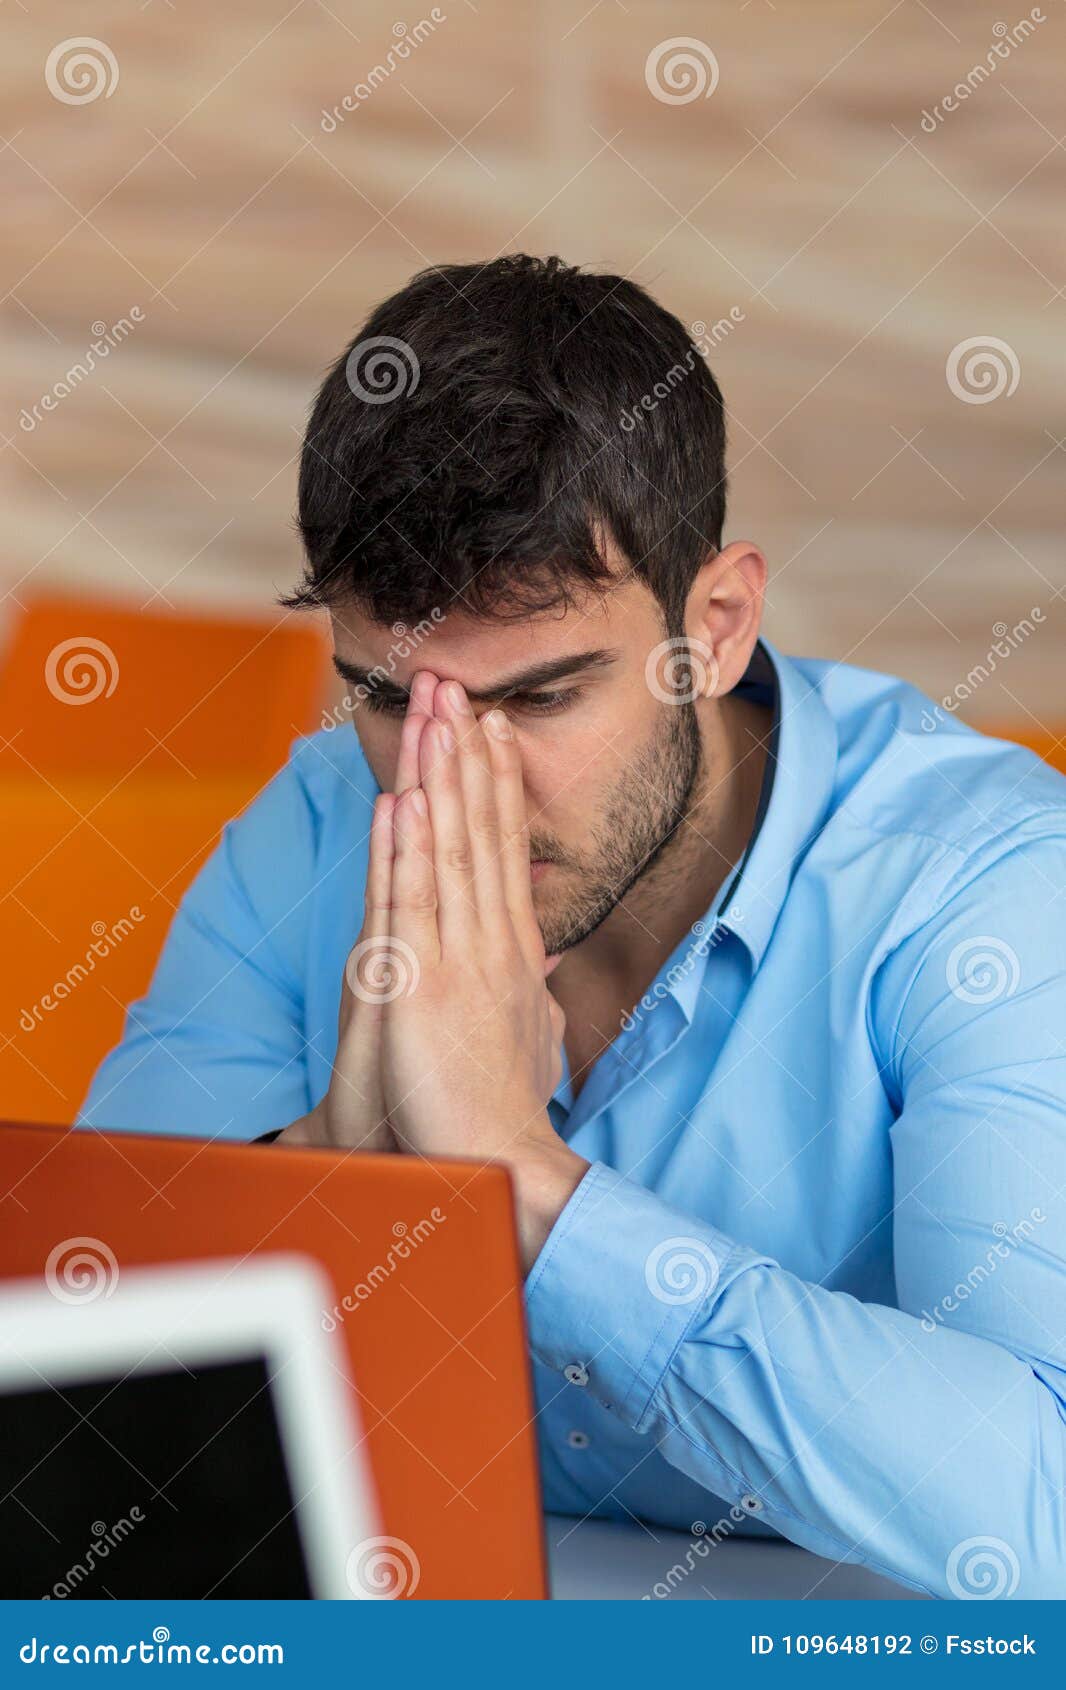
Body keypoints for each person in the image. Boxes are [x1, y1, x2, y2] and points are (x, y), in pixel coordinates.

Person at [82, 255, 1066, 1600]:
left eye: (541, 697)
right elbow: (71, 1427)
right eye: (387, 699)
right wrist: (336, 1172)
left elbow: (1037, 1505)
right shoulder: (306, 833)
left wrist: (514, 1176)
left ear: (711, 628)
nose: (455, 780)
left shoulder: (979, 886)